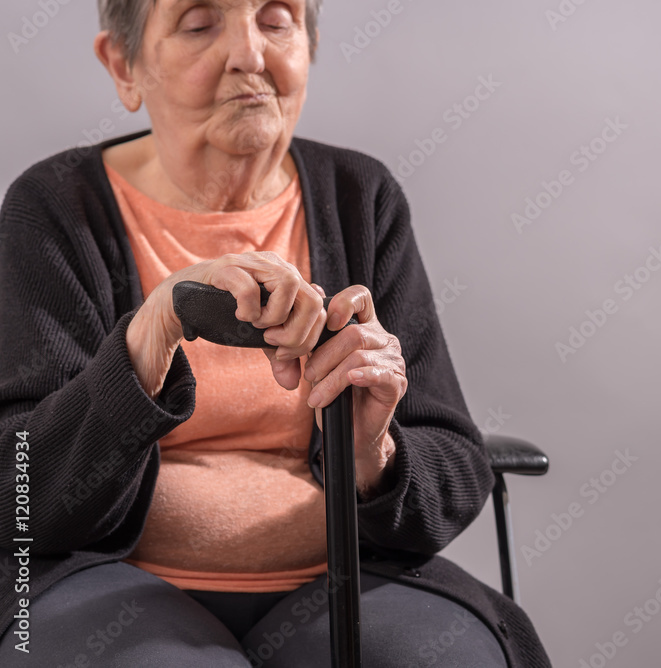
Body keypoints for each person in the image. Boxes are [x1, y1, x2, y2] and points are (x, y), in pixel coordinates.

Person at [0, 1, 550, 665]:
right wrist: (152, 329)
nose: (249, 55)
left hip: (346, 576)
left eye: (276, 18)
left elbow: (455, 469)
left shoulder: (360, 197)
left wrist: (370, 451)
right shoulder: (56, 208)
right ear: (124, 64)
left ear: (308, 45)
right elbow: (19, 492)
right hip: (108, 584)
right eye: (199, 23)